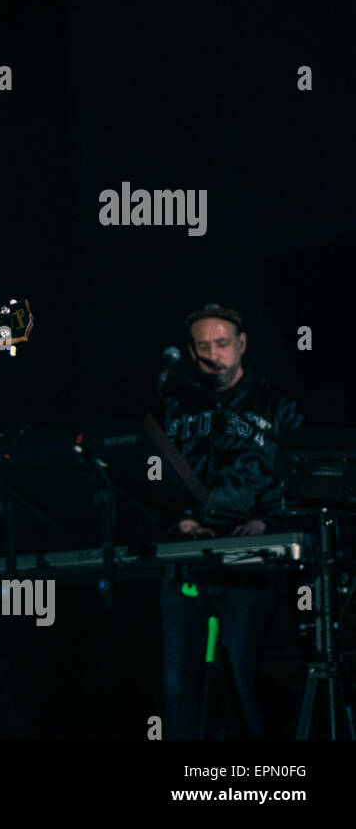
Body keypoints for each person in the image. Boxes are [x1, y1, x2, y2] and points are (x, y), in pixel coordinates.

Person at [158, 304, 302, 739]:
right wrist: (179, 520)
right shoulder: (176, 405)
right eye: (203, 347)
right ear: (190, 351)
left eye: (222, 344)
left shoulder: (275, 403)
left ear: (241, 345)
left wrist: (265, 521)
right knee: (178, 685)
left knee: (248, 681)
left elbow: (298, 476)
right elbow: (153, 477)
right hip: (187, 560)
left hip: (251, 564)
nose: (213, 355)